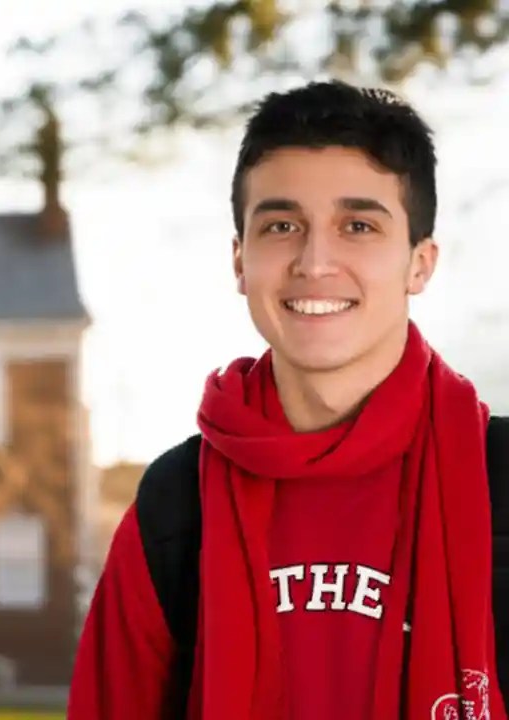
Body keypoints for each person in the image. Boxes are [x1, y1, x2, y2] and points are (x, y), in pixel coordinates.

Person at [68, 80, 507, 719]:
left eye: (358, 225)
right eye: (282, 226)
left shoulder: (502, 482)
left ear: (420, 264)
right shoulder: (176, 504)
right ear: (240, 260)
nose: (314, 260)